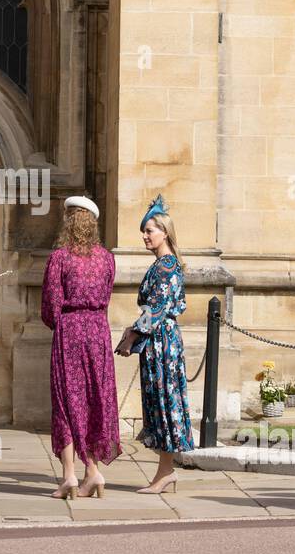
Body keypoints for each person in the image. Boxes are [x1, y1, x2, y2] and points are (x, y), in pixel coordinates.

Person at [41, 196, 120, 499]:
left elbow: (50, 304)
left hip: (70, 330)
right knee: (94, 400)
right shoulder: (106, 258)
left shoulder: (60, 257)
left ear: (68, 221)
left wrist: (58, 322)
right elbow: (108, 293)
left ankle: (69, 476)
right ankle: (93, 471)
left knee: (66, 400)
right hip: (98, 330)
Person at [115, 195, 192, 494]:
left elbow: (157, 309)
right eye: (144, 231)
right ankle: (165, 471)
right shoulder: (165, 264)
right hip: (160, 340)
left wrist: (132, 335)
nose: (145, 236)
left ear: (165, 232)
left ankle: (165, 472)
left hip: (161, 343)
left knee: (164, 403)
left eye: (150, 230)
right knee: (161, 403)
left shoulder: (165, 266)